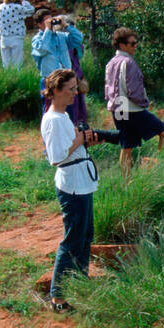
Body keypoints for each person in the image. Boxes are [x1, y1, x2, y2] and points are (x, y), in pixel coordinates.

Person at [41, 69, 101, 313]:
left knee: (85, 235)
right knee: (72, 239)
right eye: (70, 89)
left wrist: (82, 142)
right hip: (72, 186)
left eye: (76, 88)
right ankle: (58, 297)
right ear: (55, 91)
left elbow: (69, 147)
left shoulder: (62, 116)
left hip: (81, 182)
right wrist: (78, 141)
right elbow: (56, 157)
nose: (75, 93)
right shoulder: (54, 120)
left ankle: (79, 282)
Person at [104, 26, 164, 180]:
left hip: (117, 109)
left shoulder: (110, 63)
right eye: (132, 43)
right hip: (132, 110)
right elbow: (133, 91)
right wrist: (145, 104)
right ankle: (161, 172)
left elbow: (108, 89)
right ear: (122, 45)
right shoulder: (128, 62)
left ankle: (127, 184)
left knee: (126, 147)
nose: (135, 46)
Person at [32, 12, 85, 115]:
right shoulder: (37, 39)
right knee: (50, 111)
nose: (51, 23)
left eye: (51, 19)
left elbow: (78, 39)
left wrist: (65, 25)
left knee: (69, 111)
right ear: (39, 24)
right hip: (50, 80)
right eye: (47, 21)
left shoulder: (61, 36)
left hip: (66, 79)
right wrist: (47, 30)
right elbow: (43, 49)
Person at [0, 0, 34, 69]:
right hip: (16, 38)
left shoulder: (0, 7)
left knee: (6, 64)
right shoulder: (17, 8)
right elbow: (31, 10)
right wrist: (23, 1)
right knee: (17, 64)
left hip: (4, 38)